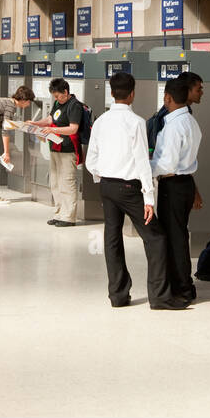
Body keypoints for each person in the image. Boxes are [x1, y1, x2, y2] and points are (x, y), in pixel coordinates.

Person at [86, 71, 185, 310]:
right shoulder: (137, 123)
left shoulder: (100, 122)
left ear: (111, 93)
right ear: (132, 94)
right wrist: (148, 198)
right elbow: (142, 161)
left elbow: (91, 160)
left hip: (107, 186)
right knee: (156, 238)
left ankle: (118, 296)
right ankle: (160, 297)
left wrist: (103, 175)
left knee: (112, 238)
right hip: (130, 188)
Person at [151, 76, 204, 304]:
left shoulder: (173, 126)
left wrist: (143, 167)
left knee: (175, 239)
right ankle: (183, 283)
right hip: (184, 184)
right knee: (179, 235)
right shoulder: (190, 122)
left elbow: (167, 163)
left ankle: (182, 287)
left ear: (167, 98)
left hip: (172, 185)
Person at [39, 78, 84, 227]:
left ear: (66, 92)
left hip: (67, 148)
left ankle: (68, 217)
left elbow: (73, 128)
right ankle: (59, 213)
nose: (56, 99)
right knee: (56, 182)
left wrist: (53, 129)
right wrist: (35, 124)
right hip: (55, 147)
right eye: (54, 96)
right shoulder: (58, 103)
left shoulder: (74, 105)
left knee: (67, 182)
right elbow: (51, 118)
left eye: (58, 95)